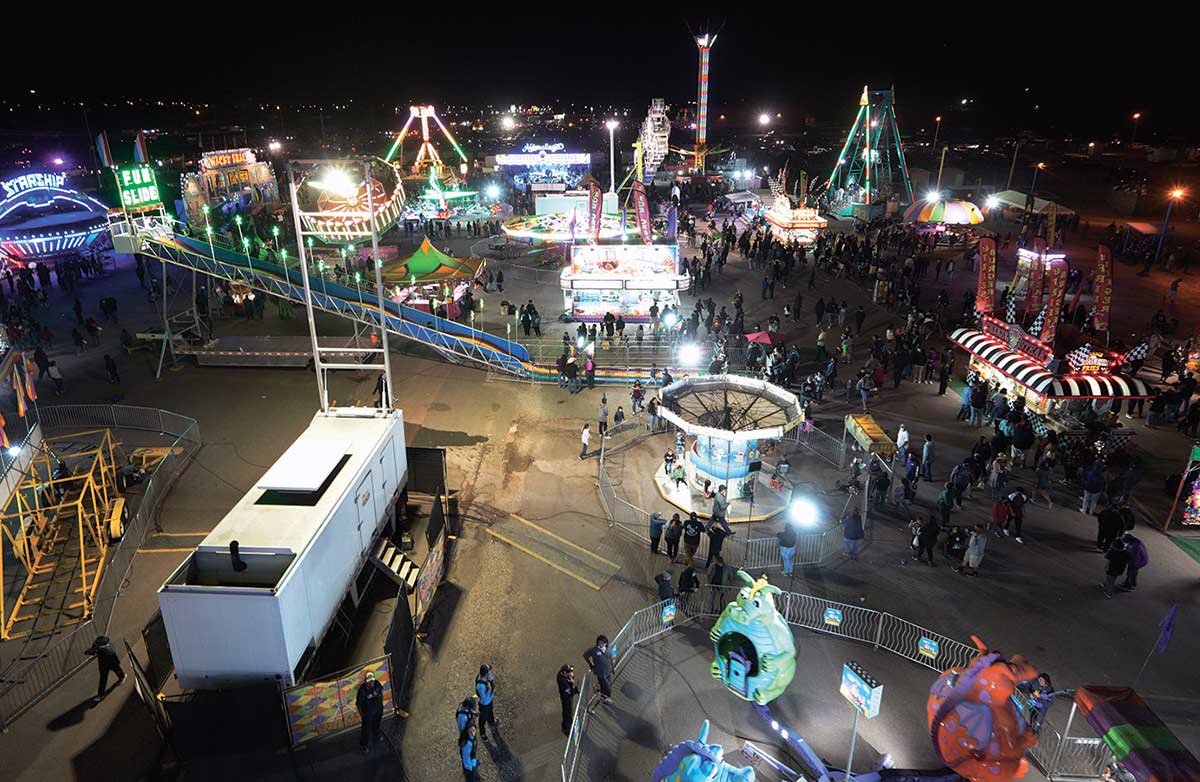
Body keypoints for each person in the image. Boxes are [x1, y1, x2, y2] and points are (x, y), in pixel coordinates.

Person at [85, 635, 125, 702]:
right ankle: (101, 694)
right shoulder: (103, 645)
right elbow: (93, 651)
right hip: (105, 664)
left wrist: (89, 651)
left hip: (108, 663)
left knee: (107, 676)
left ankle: (122, 677)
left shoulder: (105, 648)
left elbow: (93, 651)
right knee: (105, 677)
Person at [356, 670, 384, 752]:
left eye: (372, 681)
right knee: (366, 730)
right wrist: (362, 715)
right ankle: (364, 745)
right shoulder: (362, 691)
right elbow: (358, 704)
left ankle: (376, 734)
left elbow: (381, 690)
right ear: (365, 682)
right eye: (369, 681)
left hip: (378, 710)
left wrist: (380, 705)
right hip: (368, 713)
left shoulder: (377, 684)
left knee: (377, 724)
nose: (371, 683)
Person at [583, 635, 614, 703]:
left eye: (603, 642)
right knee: (608, 689)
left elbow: (611, 657)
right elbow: (585, 655)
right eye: (599, 642)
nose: (601, 644)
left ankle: (602, 695)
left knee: (606, 685)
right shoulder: (594, 650)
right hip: (601, 674)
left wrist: (613, 668)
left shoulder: (609, 648)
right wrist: (591, 665)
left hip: (608, 671)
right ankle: (607, 697)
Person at [475, 664, 499, 739]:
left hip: (490, 700)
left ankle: (491, 722)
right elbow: (484, 699)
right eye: (489, 671)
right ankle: (482, 733)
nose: (490, 673)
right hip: (484, 704)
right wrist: (489, 688)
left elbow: (493, 679)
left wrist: (492, 680)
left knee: (491, 711)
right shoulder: (480, 686)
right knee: (483, 718)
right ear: (485, 674)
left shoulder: (488, 675)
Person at [557, 665, 579, 735]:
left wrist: (570, 677)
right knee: (567, 713)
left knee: (568, 712)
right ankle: (566, 728)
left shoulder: (562, 675)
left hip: (567, 696)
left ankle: (568, 724)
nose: (571, 673)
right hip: (566, 698)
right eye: (569, 672)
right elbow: (570, 692)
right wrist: (573, 685)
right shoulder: (563, 682)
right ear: (564, 672)